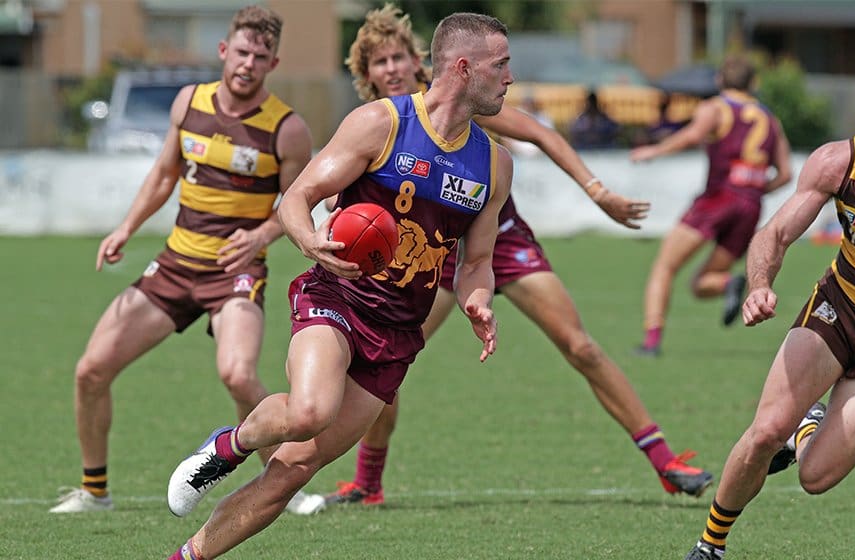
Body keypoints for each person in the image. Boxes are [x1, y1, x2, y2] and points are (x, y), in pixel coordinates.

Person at [288, 3, 712, 516]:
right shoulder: (376, 124)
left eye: (399, 57)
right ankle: (368, 480)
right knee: (386, 352)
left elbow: (539, 132)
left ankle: (665, 459)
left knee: (579, 344)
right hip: (431, 260)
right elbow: (333, 194)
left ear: (422, 60)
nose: (393, 69)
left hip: (498, 240)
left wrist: (596, 190)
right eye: (379, 63)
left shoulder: (463, 95)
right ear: (366, 74)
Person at [164, 12, 514, 559]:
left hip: (398, 334)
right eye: (501, 64)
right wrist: (308, 241)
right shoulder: (382, 124)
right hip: (336, 297)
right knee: (309, 411)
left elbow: (478, 261)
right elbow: (297, 198)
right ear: (465, 68)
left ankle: (186, 556)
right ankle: (227, 446)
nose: (510, 77)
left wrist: (478, 299)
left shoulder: (494, 164)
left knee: (292, 470)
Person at [48, 5, 312, 514]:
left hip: (236, 271)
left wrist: (259, 237)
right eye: (241, 52)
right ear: (223, 51)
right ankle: (94, 491)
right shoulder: (189, 102)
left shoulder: (287, 129)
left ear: (273, 64)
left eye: (260, 57)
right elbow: (165, 173)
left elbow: (296, 204)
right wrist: (126, 227)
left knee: (238, 375)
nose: (247, 64)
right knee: (91, 370)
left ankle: (286, 487)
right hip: (174, 265)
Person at [682, 70, 855, 560]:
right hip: (837, 310)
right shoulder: (839, 161)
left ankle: (808, 427)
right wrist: (759, 285)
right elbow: (775, 234)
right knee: (763, 433)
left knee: (814, 477)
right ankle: (710, 545)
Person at [630, 55, 792, 357]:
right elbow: (785, 175)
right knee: (701, 284)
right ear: (753, 84)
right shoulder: (771, 119)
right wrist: (754, 189)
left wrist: (654, 150)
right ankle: (731, 283)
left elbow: (693, 134)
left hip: (719, 198)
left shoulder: (715, 107)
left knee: (665, 266)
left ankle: (651, 342)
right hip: (750, 206)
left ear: (719, 80)